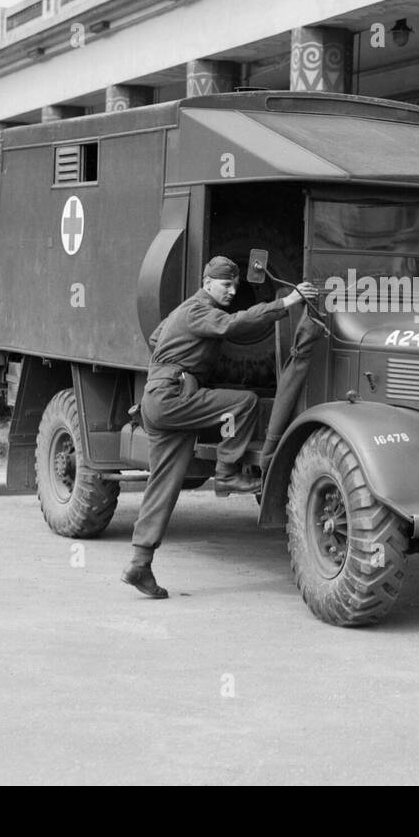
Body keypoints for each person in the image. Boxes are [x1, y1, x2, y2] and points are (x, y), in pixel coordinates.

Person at [122, 255, 319, 599]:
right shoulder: (199, 310)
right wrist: (286, 303)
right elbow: (232, 325)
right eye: (225, 285)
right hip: (173, 397)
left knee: (163, 484)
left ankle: (140, 562)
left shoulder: (182, 312)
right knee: (242, 404)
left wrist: (188, 365)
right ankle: (227, 470)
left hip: (160, 397)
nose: (231, 291)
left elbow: (157, 339)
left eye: (235, 285)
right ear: (206, 282)